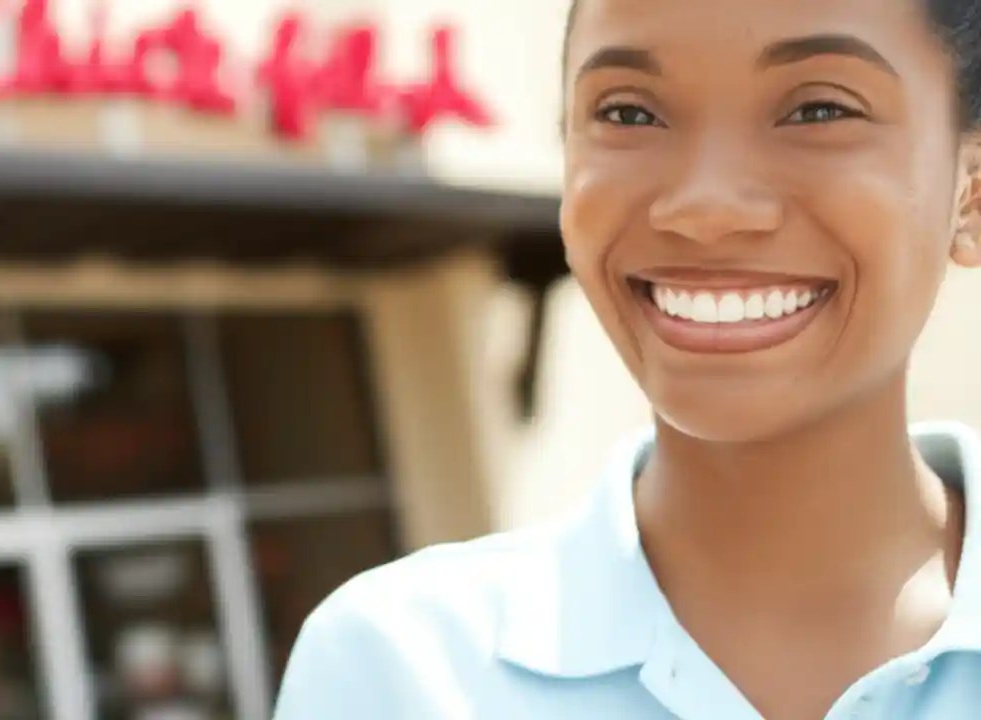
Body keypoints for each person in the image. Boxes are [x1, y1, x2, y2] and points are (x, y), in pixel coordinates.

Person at [272, 0, 981, 717]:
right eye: (629, 114)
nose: (706, 207)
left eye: (820, 111)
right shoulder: (396, 669)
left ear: (971, 195)